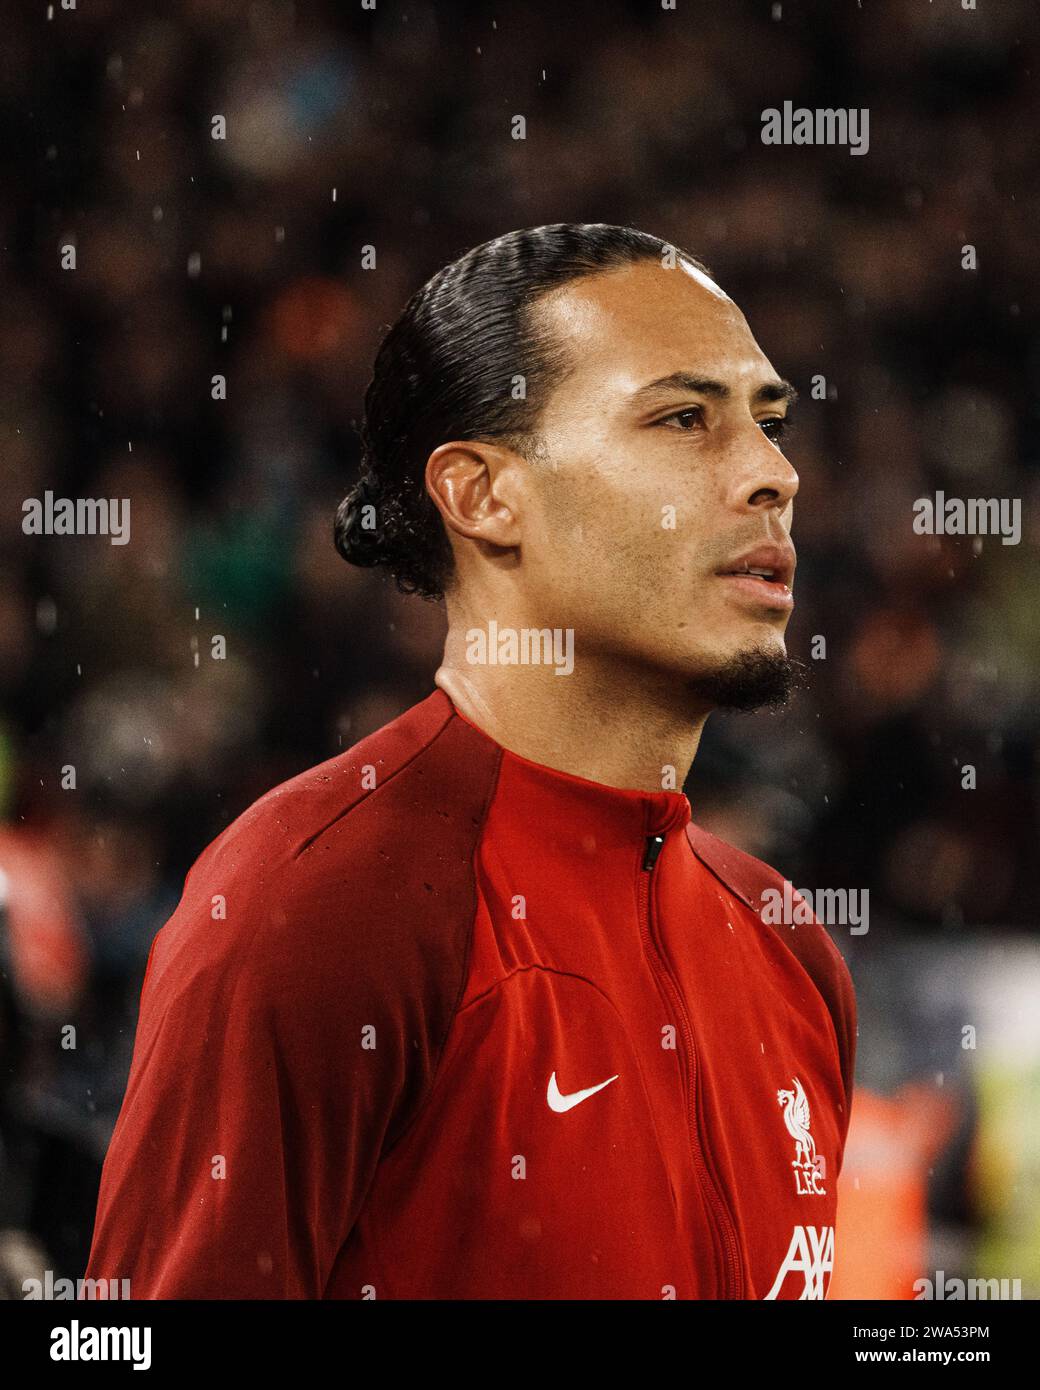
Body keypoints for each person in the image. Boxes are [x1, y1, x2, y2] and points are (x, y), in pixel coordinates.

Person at [85, 223, 856, 1299]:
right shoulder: (316, 903)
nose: (773, 474)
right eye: (684, 418)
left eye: (767, 423)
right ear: (483, 496)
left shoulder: (789, 948)